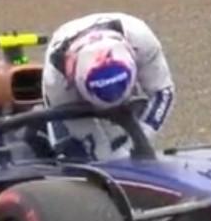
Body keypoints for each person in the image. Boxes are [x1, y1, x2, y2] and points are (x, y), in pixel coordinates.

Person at [40, 12, 175, 160]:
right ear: (74, 79)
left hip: (129, 62)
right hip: (71, 97)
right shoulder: (56, 81)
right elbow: (88, 135)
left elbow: (163, 92)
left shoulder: (142, 41)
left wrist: (141, 136)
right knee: (79, 153)